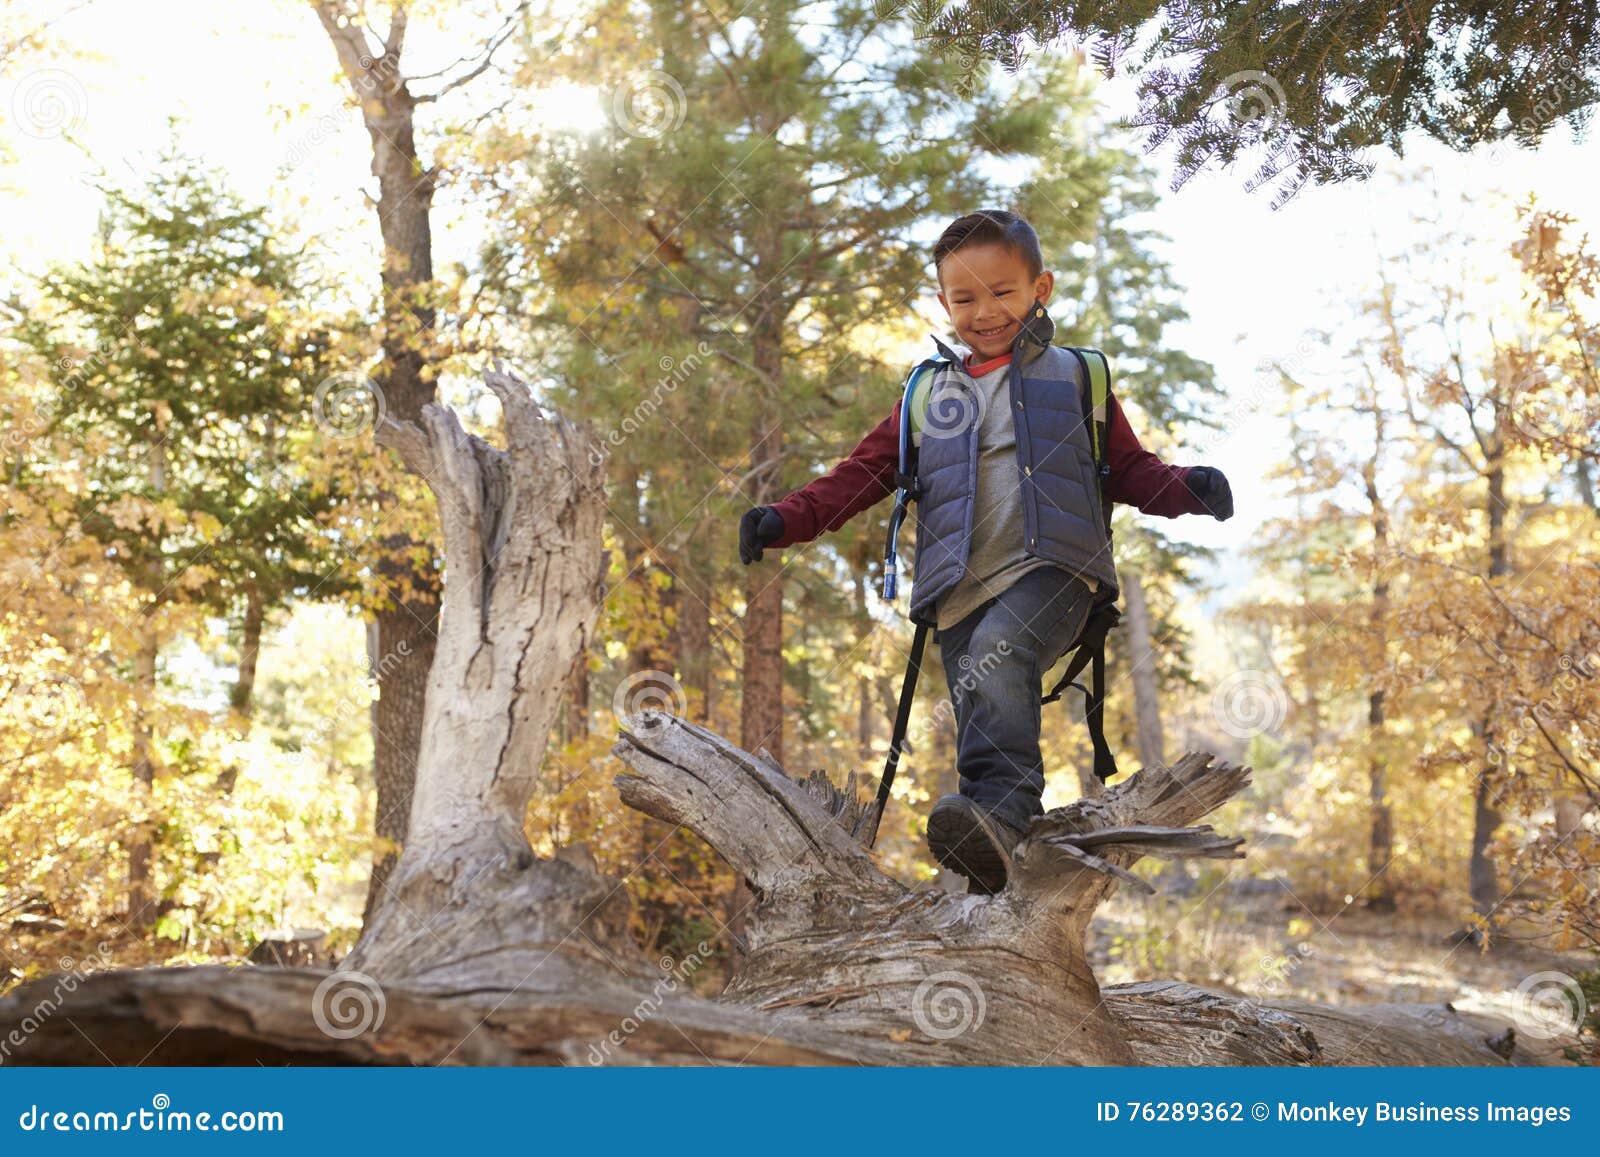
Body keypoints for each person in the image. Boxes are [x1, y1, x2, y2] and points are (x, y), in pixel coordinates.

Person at [737, 209, 1233, 893]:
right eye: (965, 298)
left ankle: (1006, 810)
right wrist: (782, 520)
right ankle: (992, 858)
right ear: (944, 303)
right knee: (980, 705)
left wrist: (1190, 490)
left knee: (1003, 654)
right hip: (958, 588)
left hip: (1055, 568)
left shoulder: (1076, 377)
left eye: (1002, 291)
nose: (985, 310)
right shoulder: (926, 394)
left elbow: (1130, 470)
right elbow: (860, 475)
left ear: (1041, 287)